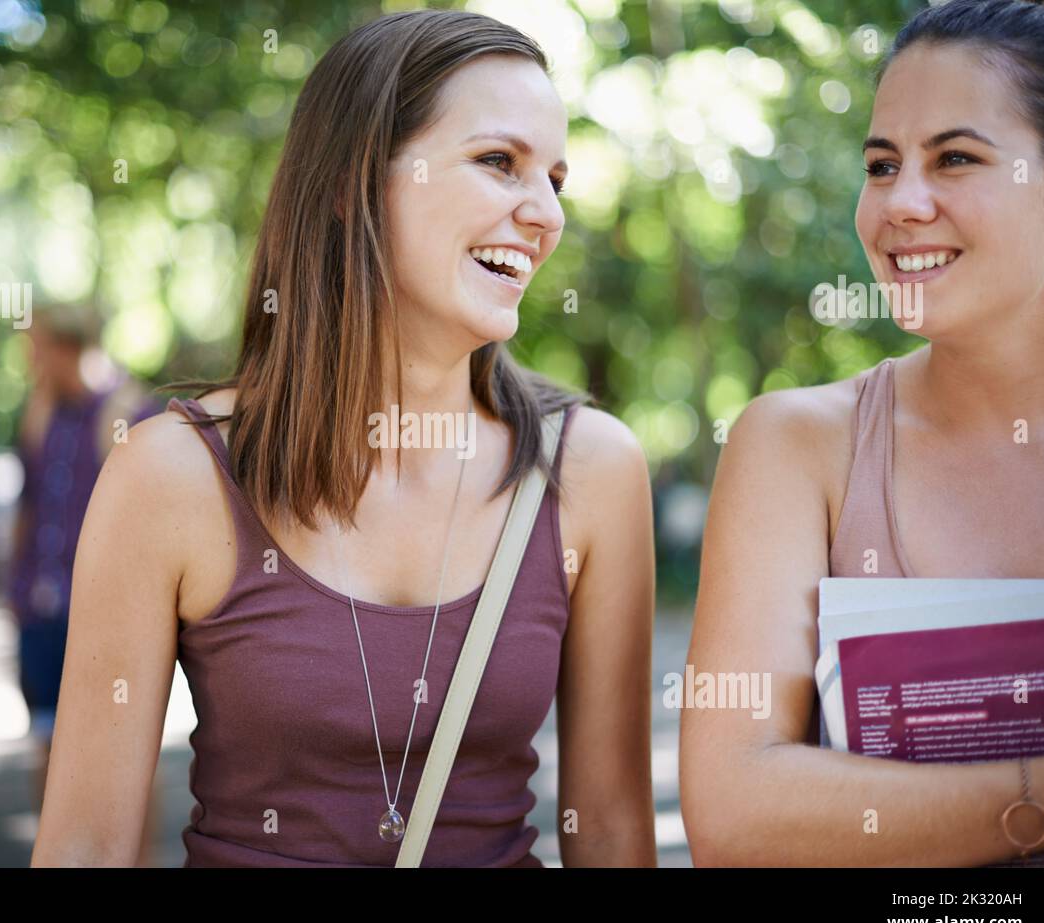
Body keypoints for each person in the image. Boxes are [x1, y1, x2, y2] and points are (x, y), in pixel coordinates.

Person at [32, 10, 655, 867]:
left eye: (556, 179)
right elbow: (84, 849)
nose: (545, 214)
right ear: (353, 181)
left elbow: (615, 836)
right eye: (498, 163)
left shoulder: (591, 469)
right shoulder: (171, 476)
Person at [682, 0, 1044, 866]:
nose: (901, 202)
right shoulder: (796, 443)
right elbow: (735, 814)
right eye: (882, 163)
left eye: (956, 158)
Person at [8, 304, 161, 860]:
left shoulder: (130, 413)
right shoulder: (41, 410)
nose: (29, 362)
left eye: (35, 349)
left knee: (125, 756)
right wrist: (15, 590)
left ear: (64, 348)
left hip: (107, 618)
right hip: (42, 612)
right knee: (47, 744)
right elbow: (28, 503)